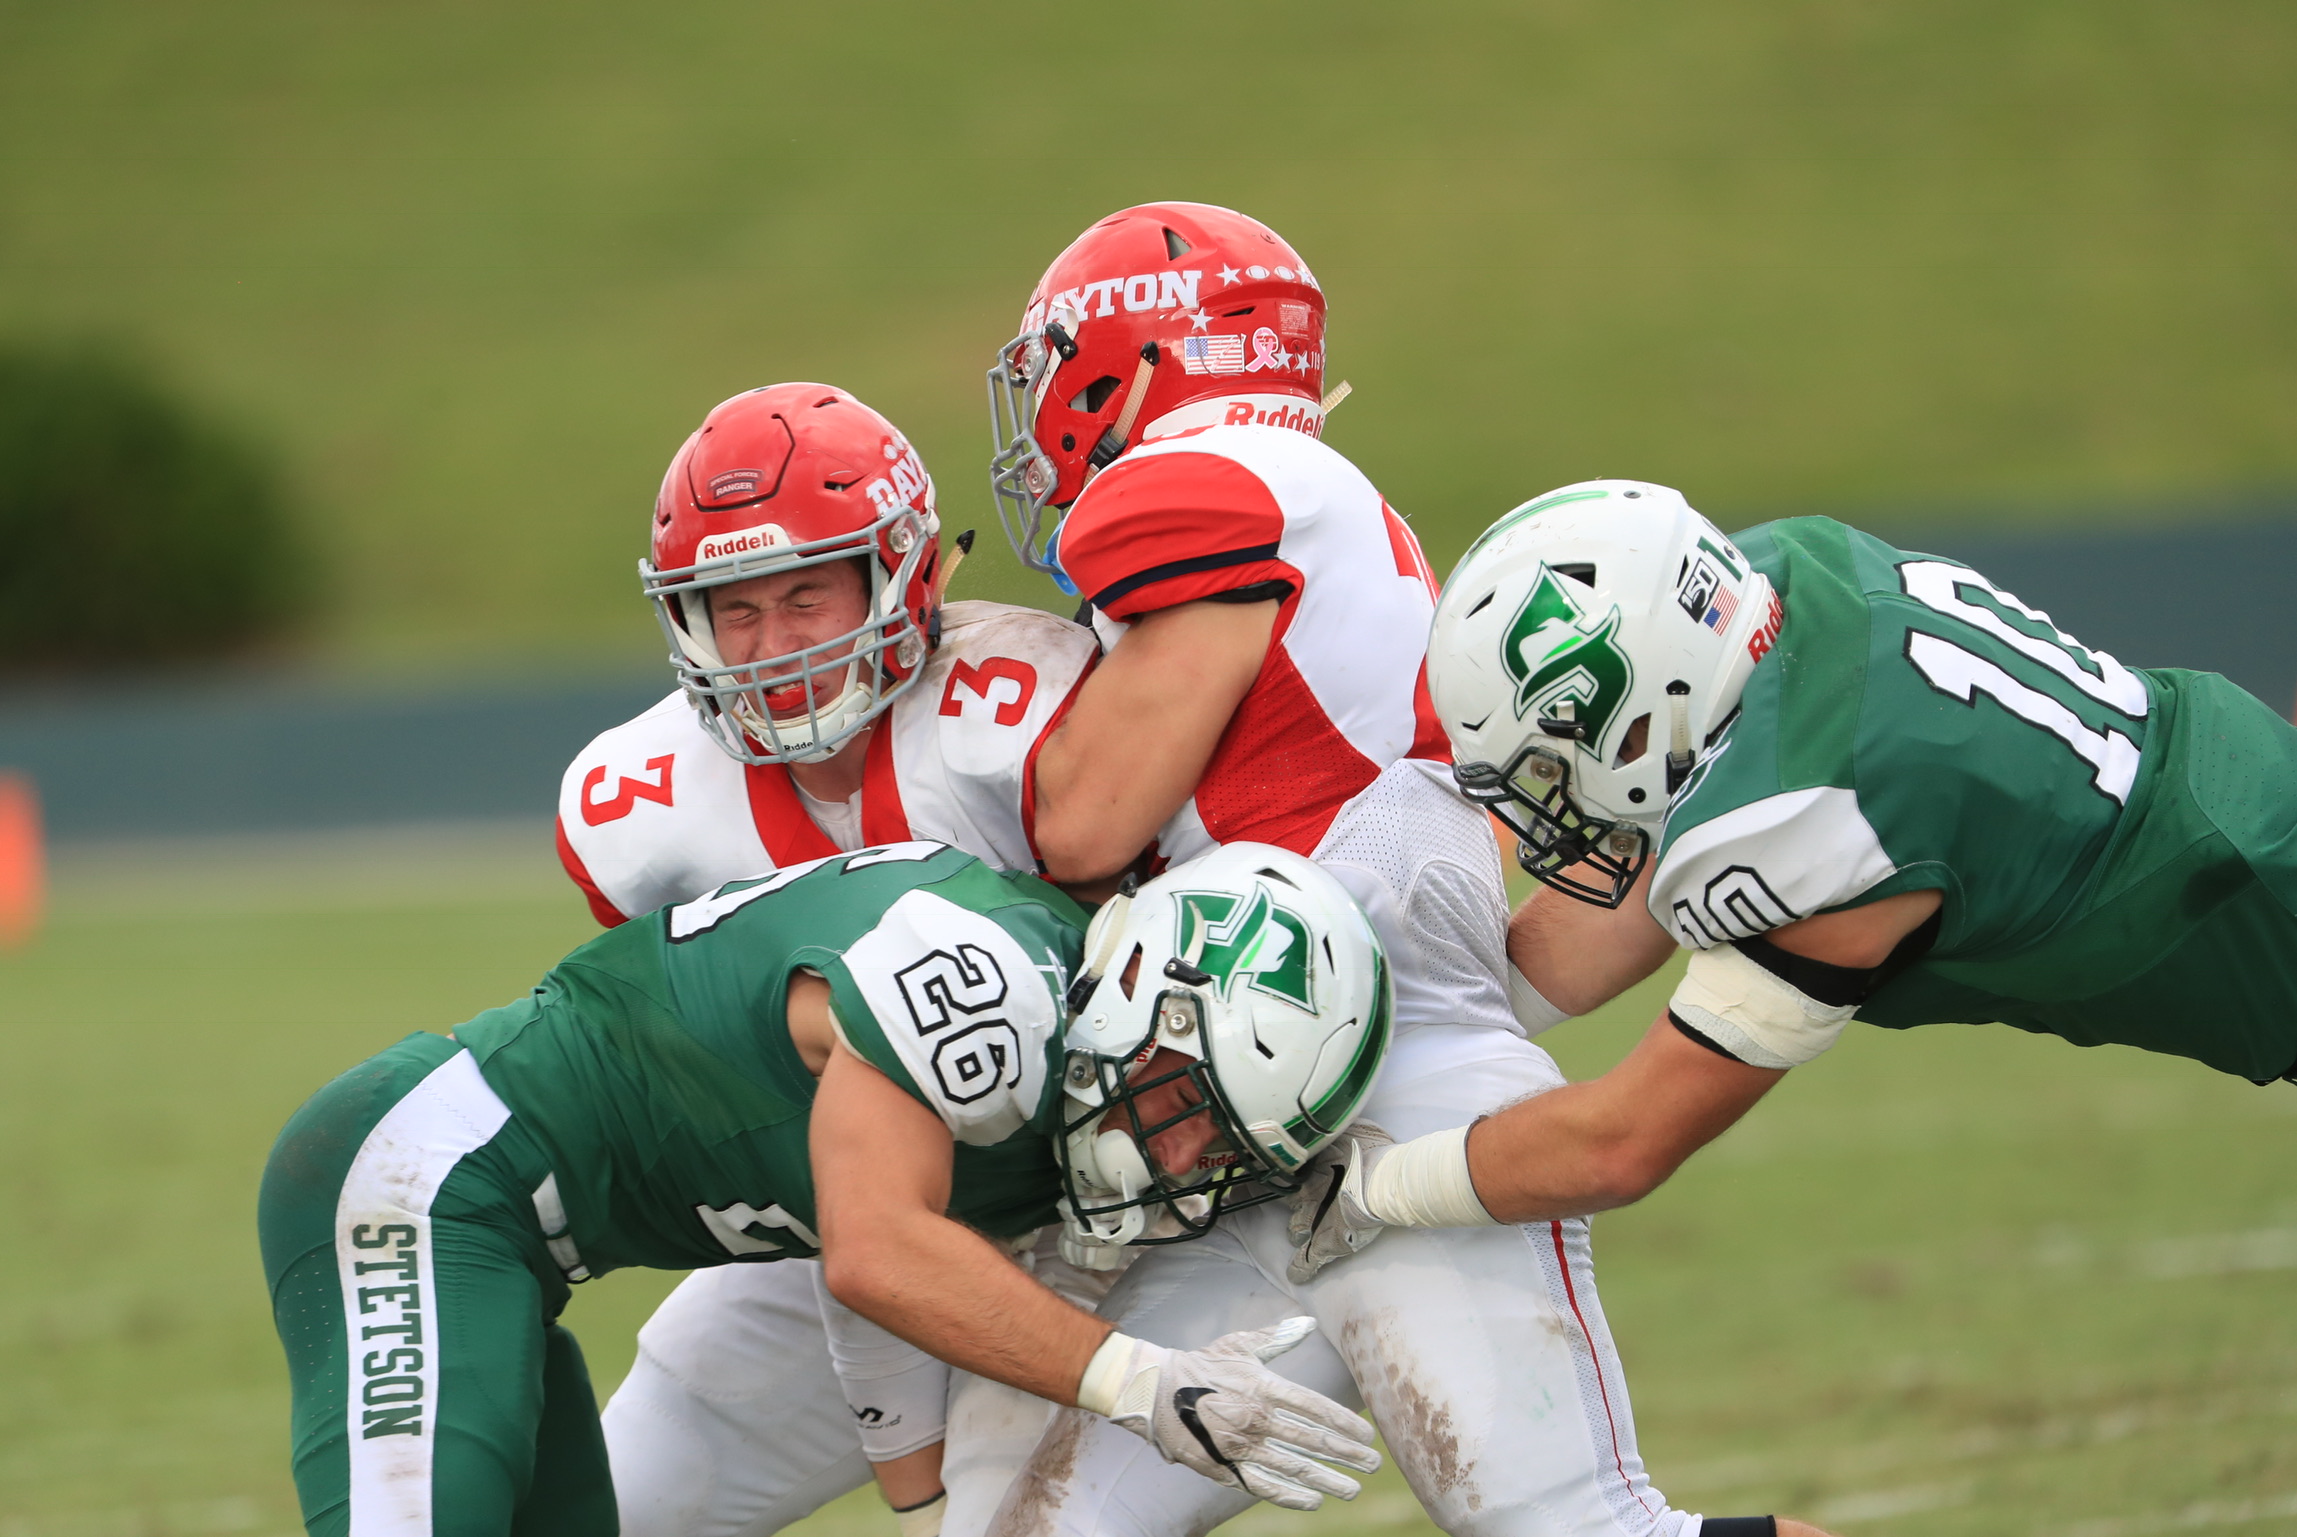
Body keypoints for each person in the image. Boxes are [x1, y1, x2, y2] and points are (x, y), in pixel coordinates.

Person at [981, 205, 1800, 1537]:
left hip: (1369, 1102)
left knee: (1584, 1529)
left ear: (1126, 365)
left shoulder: (1205, 484)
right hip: (1257, 1114)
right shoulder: (1328, 502)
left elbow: (1079, 826)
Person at [1286, 481, 2297, 1300]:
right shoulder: (1763, 585)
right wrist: (1349, 1056)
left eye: (1555, 757)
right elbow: (1586, 937)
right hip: (2227, 780)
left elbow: (1621, 1142)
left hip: (2246, 902)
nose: (1547, 802)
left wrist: (1375, 1185)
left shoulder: (1817, 830)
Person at [258, 840, 1390, 1537]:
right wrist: (1147, 1383)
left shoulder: (1059, 1076)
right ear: (1151, 1006)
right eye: (1190, 1113)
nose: (1187, 1164)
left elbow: (871, 1275)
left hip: (515, 1245)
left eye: (1225, 1149)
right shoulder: (995, 990)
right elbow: (876, 1250)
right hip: (426, 1172)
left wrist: (924, 1508)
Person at [554, 383, 1103, 1537]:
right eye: (733, 608)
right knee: (609, 1512)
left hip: (1090, 1199)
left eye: (807, 593)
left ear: (902, 575)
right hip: (832, 1212)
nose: (771, 644)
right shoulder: (638, 805)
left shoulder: (1030, 701)